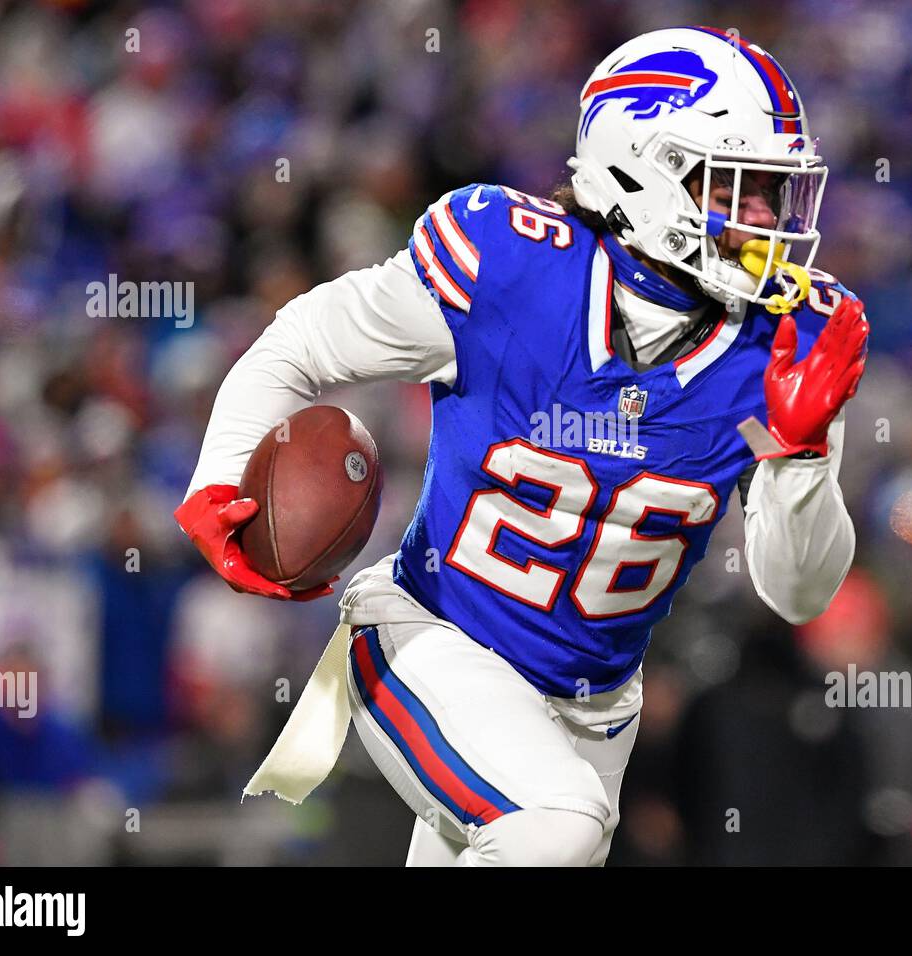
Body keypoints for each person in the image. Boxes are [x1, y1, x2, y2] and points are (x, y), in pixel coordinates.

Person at [173, 26, 869, 866]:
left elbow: (798, 592)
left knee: (553, 824)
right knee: (556, 825)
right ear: (640, 169)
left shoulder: (782, 347)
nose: (765, 220)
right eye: (737, 187)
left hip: (596, 711)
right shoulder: (511, 268)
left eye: (773, 192)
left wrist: (799, 455)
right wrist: (218, 481)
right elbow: (303, 347)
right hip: (433, 640)